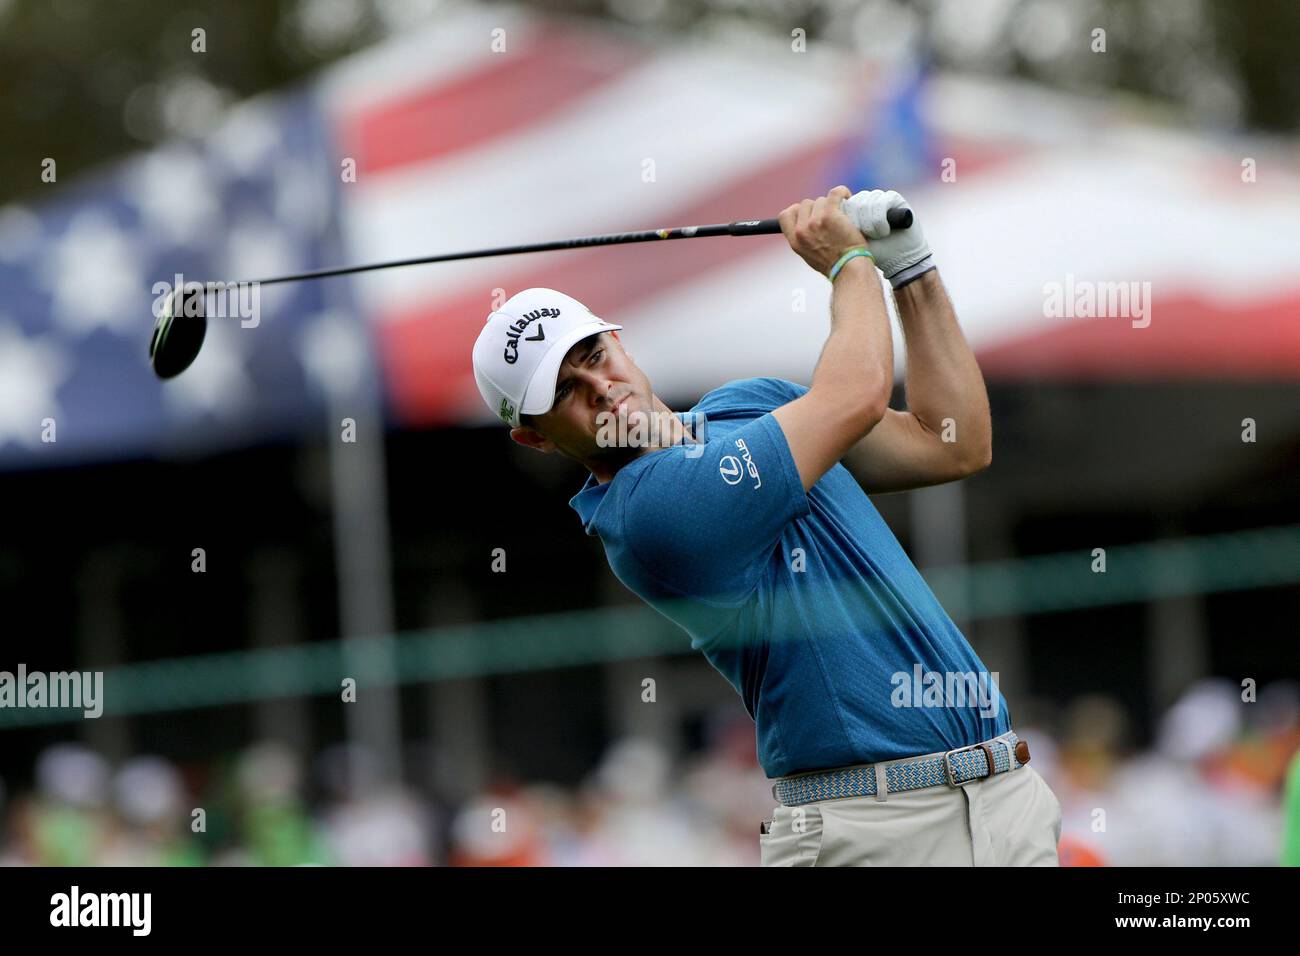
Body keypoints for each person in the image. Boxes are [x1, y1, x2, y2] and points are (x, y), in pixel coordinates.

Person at [470, 185, 1061, 866]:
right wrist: (847, 264)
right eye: (565, 391)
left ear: (620, 343)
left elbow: (952, 441)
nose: (603, 389)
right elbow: (856, 394)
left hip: (1001, 800)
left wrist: (910, 267)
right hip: (871, 829)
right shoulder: (650, 514)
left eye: (595, 356)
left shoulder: (747, 405)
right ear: (537, 439)